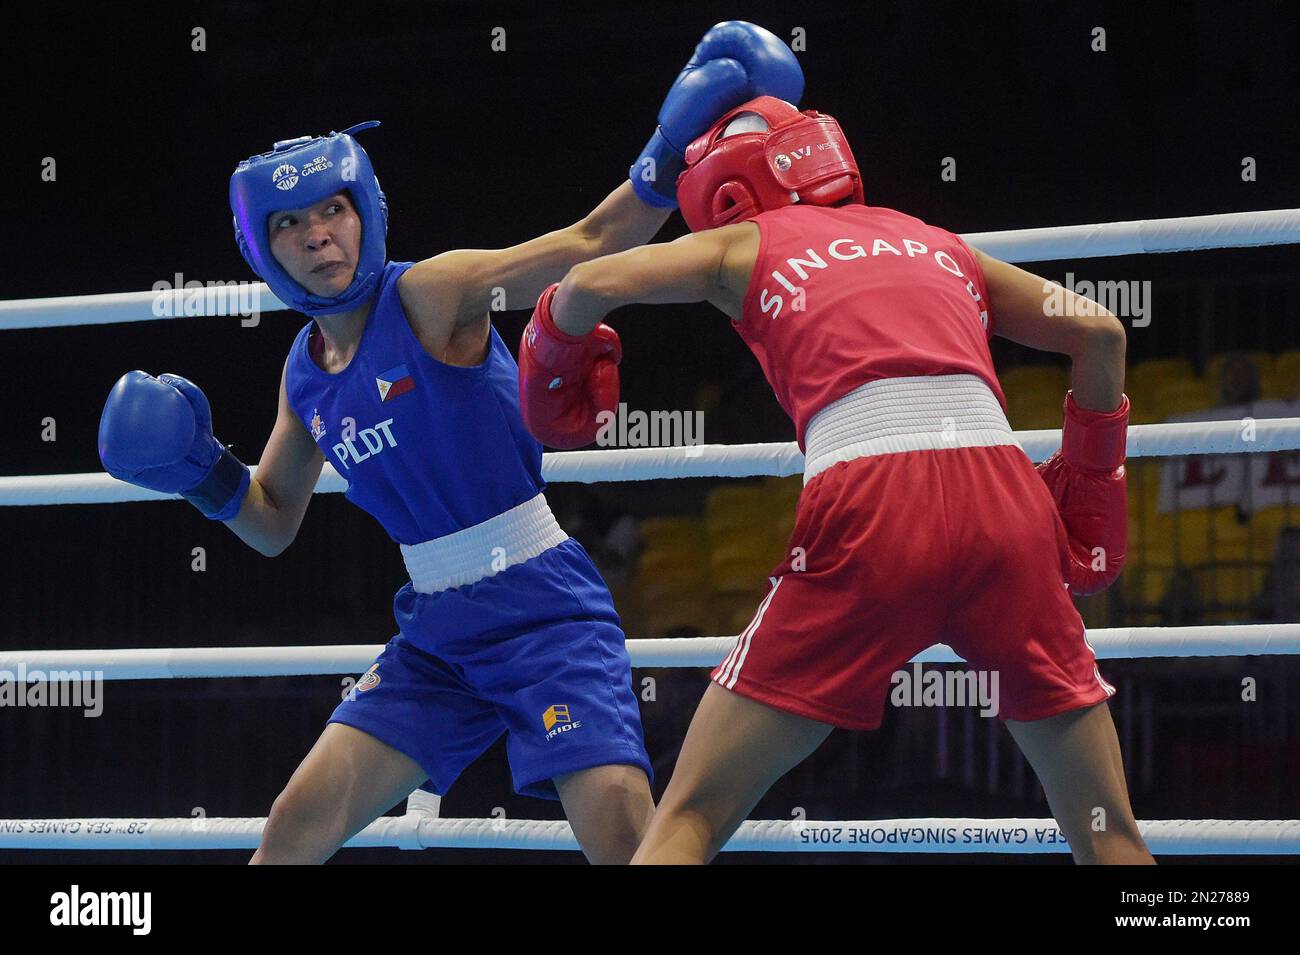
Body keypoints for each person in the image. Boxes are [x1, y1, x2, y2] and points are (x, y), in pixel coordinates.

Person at [95, 23, 803, 864]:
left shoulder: (432, 295)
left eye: (333, 208)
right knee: (295, 822)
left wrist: (665, 151)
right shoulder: (304, 373)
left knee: (620, 834)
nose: (320, 234)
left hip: (542, 608)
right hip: (434, 631)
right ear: (262, 248)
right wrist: (201, 473)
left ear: (368, 212)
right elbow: (273, 519)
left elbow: (587, 244)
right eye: (291, 222)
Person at [519, 96, 1154, 864]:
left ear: (725, 192)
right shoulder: (933, 241)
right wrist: (1091, 476)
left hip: (871, 506)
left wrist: (554, 349)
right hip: (1006, 507)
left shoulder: (744, 244)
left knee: (688, 815)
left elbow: (589, 281)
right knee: (1104, 830)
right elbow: (1100, 330)